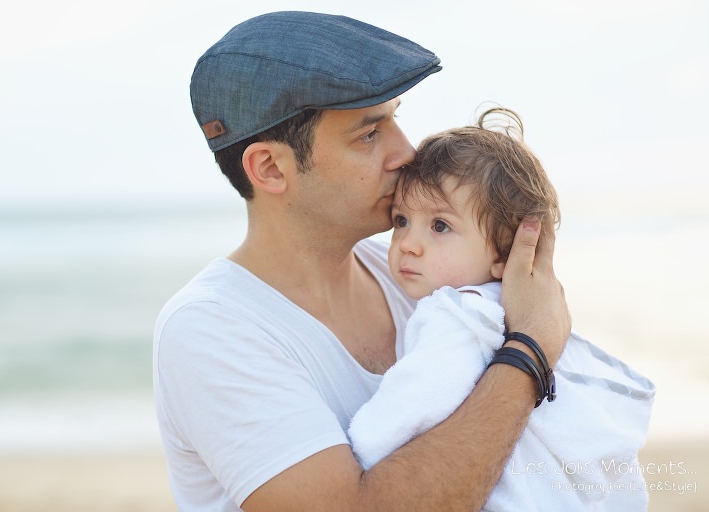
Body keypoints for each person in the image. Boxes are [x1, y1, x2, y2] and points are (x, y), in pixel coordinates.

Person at [153, 12, 570, 512]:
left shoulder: (417, 273)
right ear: (269, 168)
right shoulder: (211, 329)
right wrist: (530, 352)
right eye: (368, 134)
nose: (406, 151)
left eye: (395, 118)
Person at [347, 108, 656, 511]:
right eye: (402, 220)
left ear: (504, 253)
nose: (407, 242)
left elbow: (412, 406)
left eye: (439, 226)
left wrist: (357, 451)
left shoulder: (455, 315)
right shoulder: (514, 308)